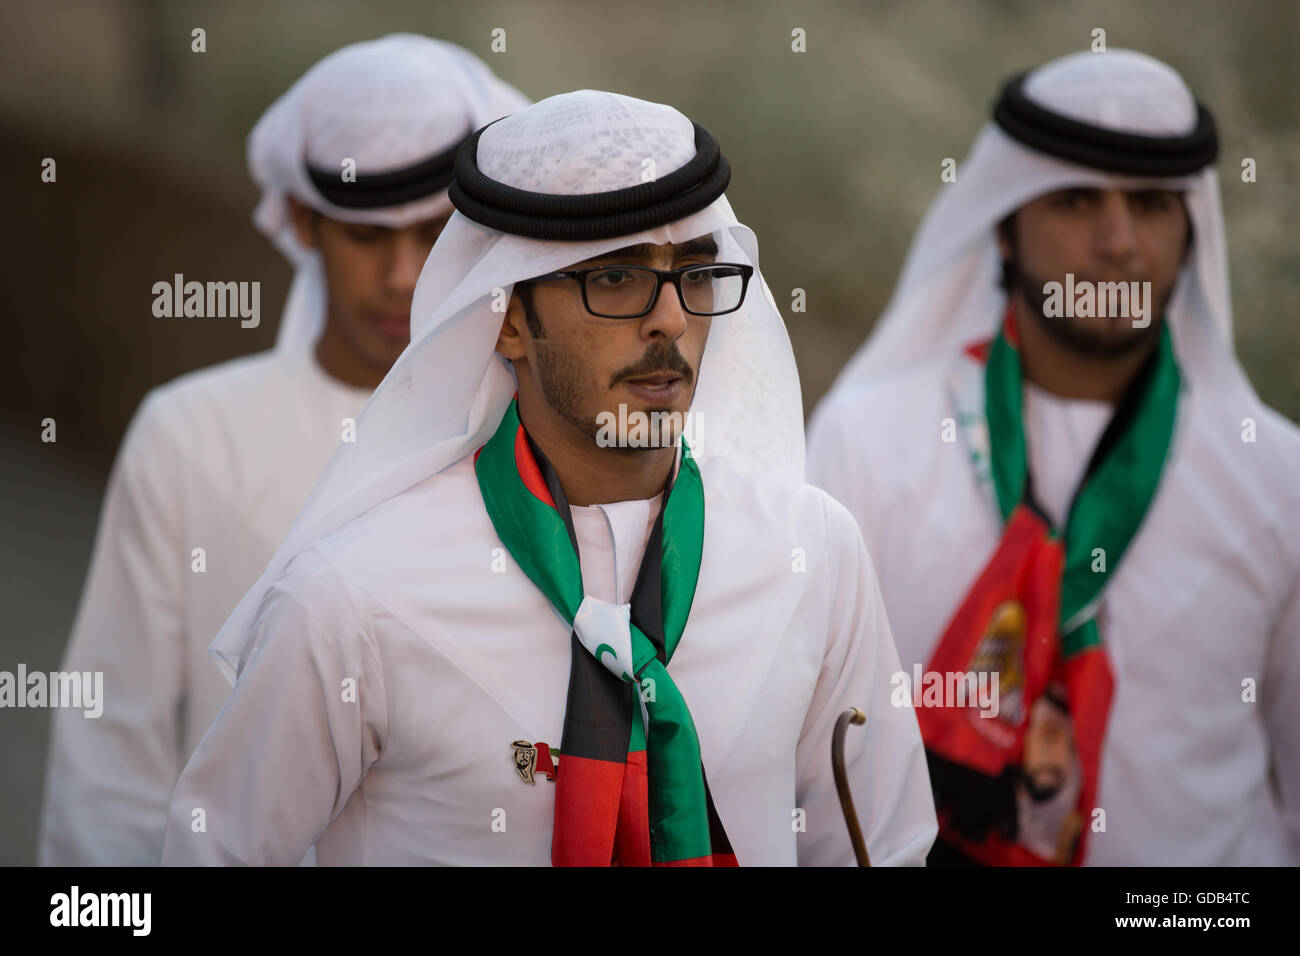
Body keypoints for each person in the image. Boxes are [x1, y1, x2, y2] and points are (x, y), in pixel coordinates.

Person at [161, 90, 938, 866]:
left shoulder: (813, 554)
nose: (669, 319)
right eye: (616, 278)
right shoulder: (354, 596)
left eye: (694, 274)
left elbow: (887, 846)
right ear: (505, 318)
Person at [39, 34, 529, 866]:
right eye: (367, 237)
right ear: (304, 222)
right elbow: (109, 754)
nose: (405, 276)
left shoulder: (527, 430)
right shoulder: (191, 435)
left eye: (433, 234)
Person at [808, 49, 1300, 865]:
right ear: (1002, 224)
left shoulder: (1276, 477)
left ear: (1190, 232)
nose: (1118, 242)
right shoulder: (869, 439)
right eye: (1075, 200)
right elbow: (810, 757)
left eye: (1150, 204)